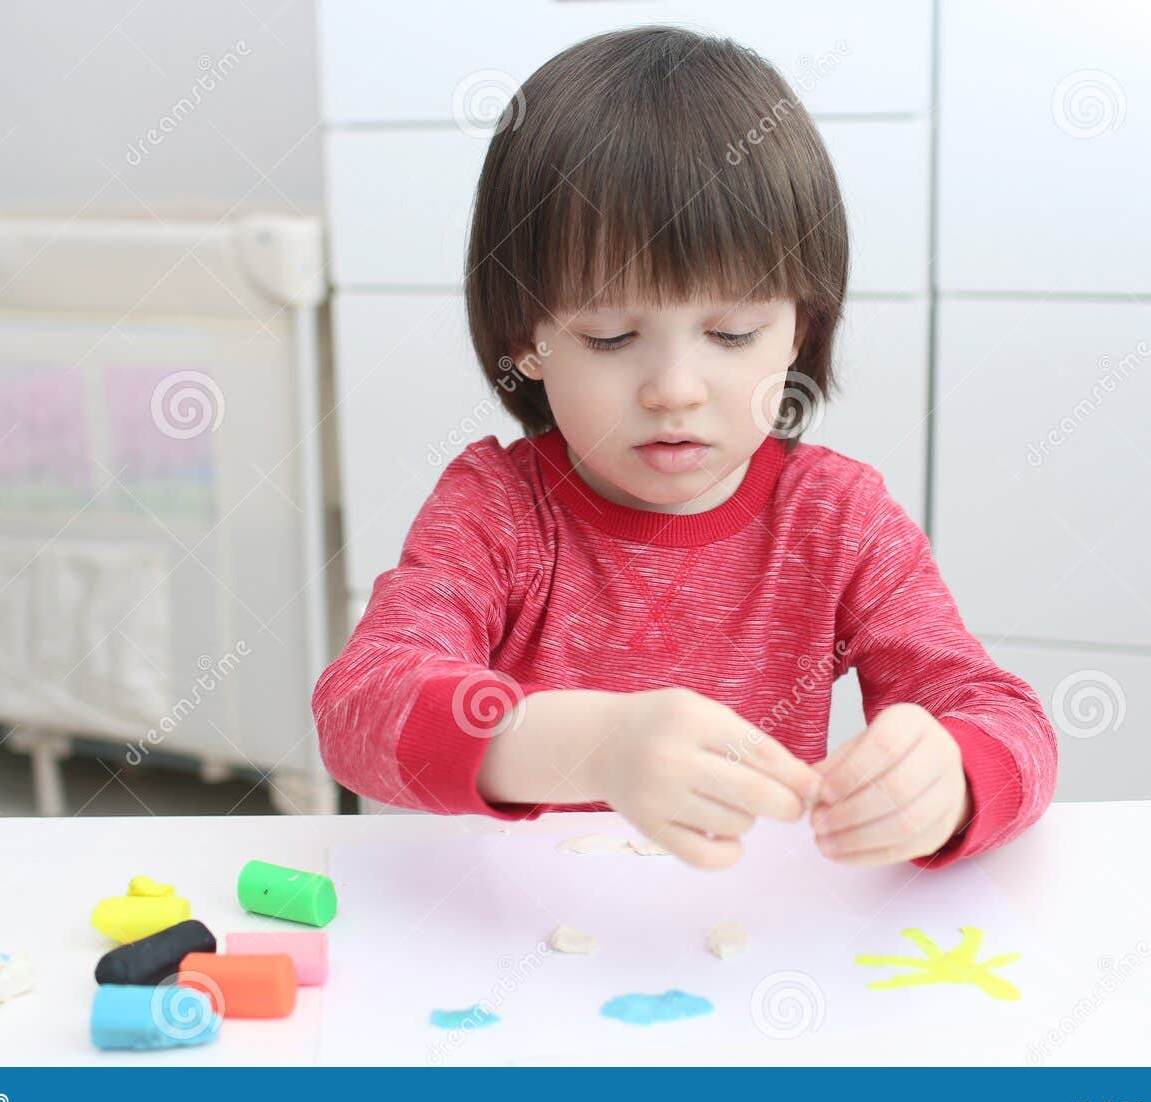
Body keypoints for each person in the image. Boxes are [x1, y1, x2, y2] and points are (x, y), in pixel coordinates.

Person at [313, 26, 1057, 871]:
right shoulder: (497, 510)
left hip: (750, 955)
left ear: (799, 332)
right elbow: (360, 707)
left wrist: (951, 777)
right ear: (525, 338)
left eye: (732, 332)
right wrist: (594, 746)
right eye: (610, 335)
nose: (675, 388)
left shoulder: (836, 518)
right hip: (522, 946)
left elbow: (1003, 717)